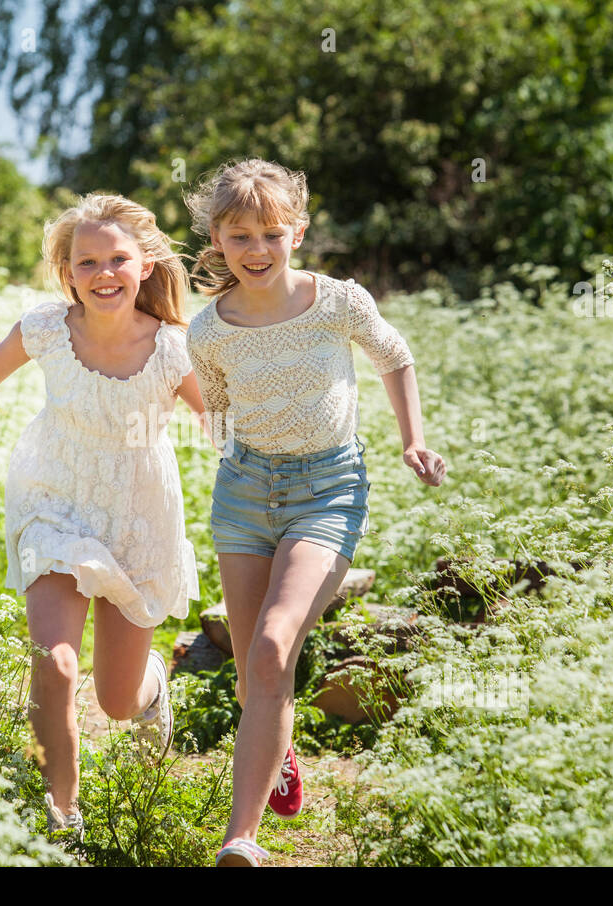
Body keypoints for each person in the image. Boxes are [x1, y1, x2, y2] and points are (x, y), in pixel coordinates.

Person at [184, 158, 448, 866]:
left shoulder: (338, 301)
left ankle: (240, 839)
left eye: (272, 233)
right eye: (240, 236)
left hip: (328, 488)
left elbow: (395, 356)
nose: (257, 250)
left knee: (273, 647)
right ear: (217, 237)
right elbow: (216, 417)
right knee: (252, 673)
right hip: (243, 493)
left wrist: (413, 441)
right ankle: (282, 744)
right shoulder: (207, 330)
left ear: (296, 232)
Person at [0, 192, 207, 841]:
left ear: (144, 266)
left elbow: (218, 423)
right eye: (87, 262)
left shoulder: (171, 347)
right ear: (67, 272)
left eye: (117, 259)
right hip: (50, 496)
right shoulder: (48, 327)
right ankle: (63, 816)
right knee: (54, 664)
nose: (103, 273)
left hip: (137, 514)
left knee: (116, 699)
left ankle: (152, 687)